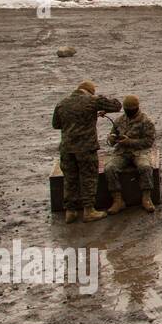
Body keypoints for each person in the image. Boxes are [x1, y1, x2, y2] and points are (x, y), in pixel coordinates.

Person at [52, 80, 122, 224]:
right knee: (88, 178)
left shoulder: (62, 103)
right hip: (86, 147)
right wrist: (99, 102)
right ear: (90, 91)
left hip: (66, 148)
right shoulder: (92, 100)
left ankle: (70, 211)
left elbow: (56, 125)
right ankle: (89, 211)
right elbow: (117, 105)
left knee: (70, 179)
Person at [102, 94, 158, 214]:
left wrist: (130, 141)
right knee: (110, 168)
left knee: (145, 167)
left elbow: (149, 142)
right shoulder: (119, 120)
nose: (129, 112)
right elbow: (112, 137)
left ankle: (146, 198)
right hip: (122, 152)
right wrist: (112, 139)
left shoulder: (146, 121)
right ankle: (118, 200)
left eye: (131, 109)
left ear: (137, 108)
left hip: (139, 151)